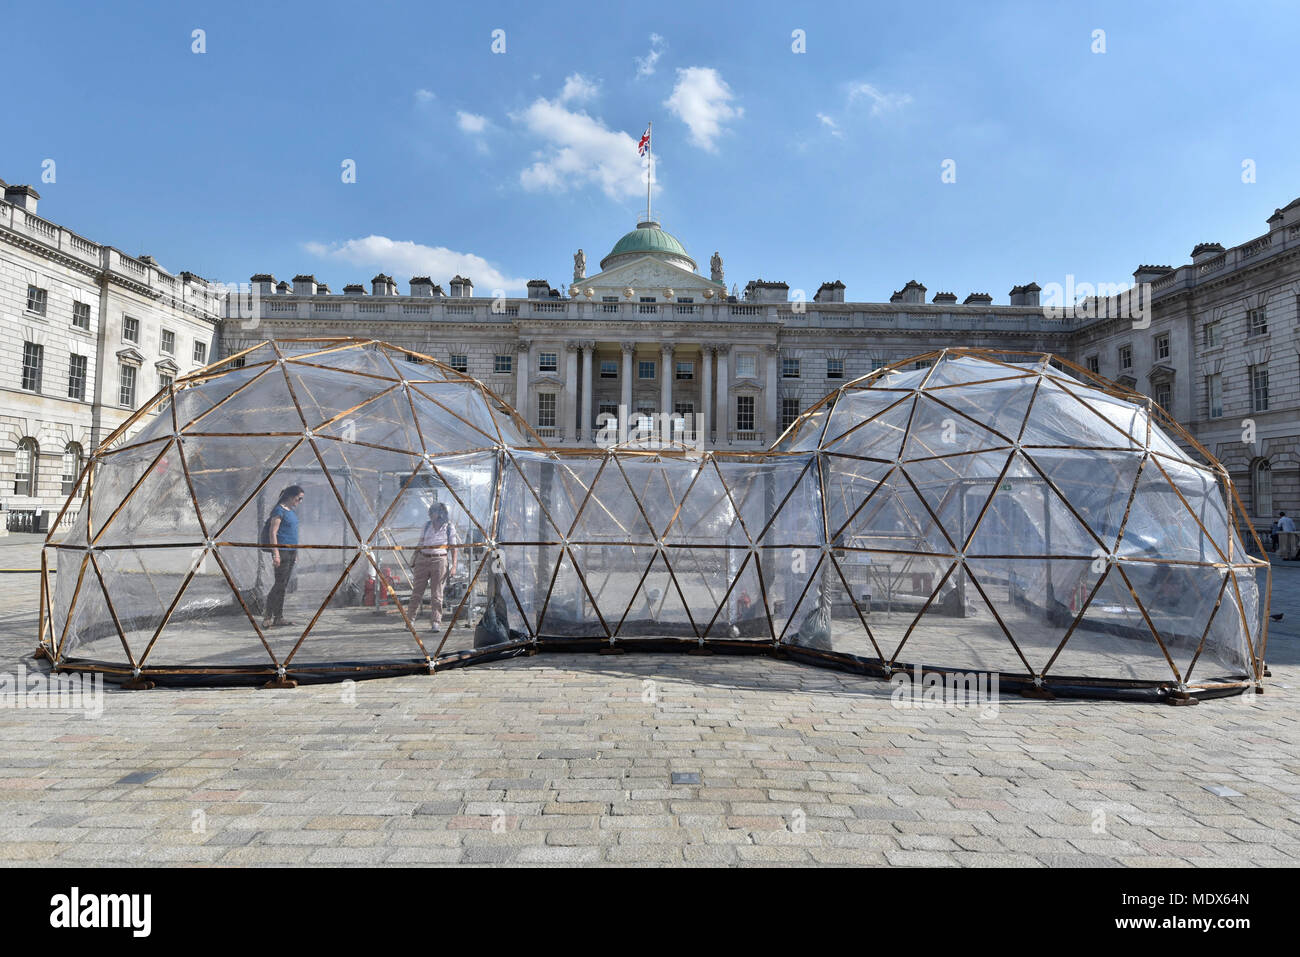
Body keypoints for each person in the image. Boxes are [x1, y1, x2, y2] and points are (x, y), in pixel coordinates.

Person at [408, 502, 459, 632]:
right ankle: (410, 620)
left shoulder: (449, 528)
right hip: (423, 559)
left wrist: (454, 566)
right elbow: (421, 542)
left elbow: (453, 548)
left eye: (434, 512)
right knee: (416, 592)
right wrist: (414, 557)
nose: (431, 515)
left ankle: (436, 622)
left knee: (437, 594)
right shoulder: (426, 526)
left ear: (441, 514)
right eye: (431, 512)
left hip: (440, 560)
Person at [263, 485, 305, 628]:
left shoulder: (291, 511)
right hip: (282, 552)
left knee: (283, 585)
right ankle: (268, 616)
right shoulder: (279, 510)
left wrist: (296, 552)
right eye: (299, 498)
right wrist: (276, 554)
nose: (299, 501)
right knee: (279, 584)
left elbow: (293, 534)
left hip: (291, 552)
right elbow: (272, 533)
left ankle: (278, 617)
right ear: (291, 496)